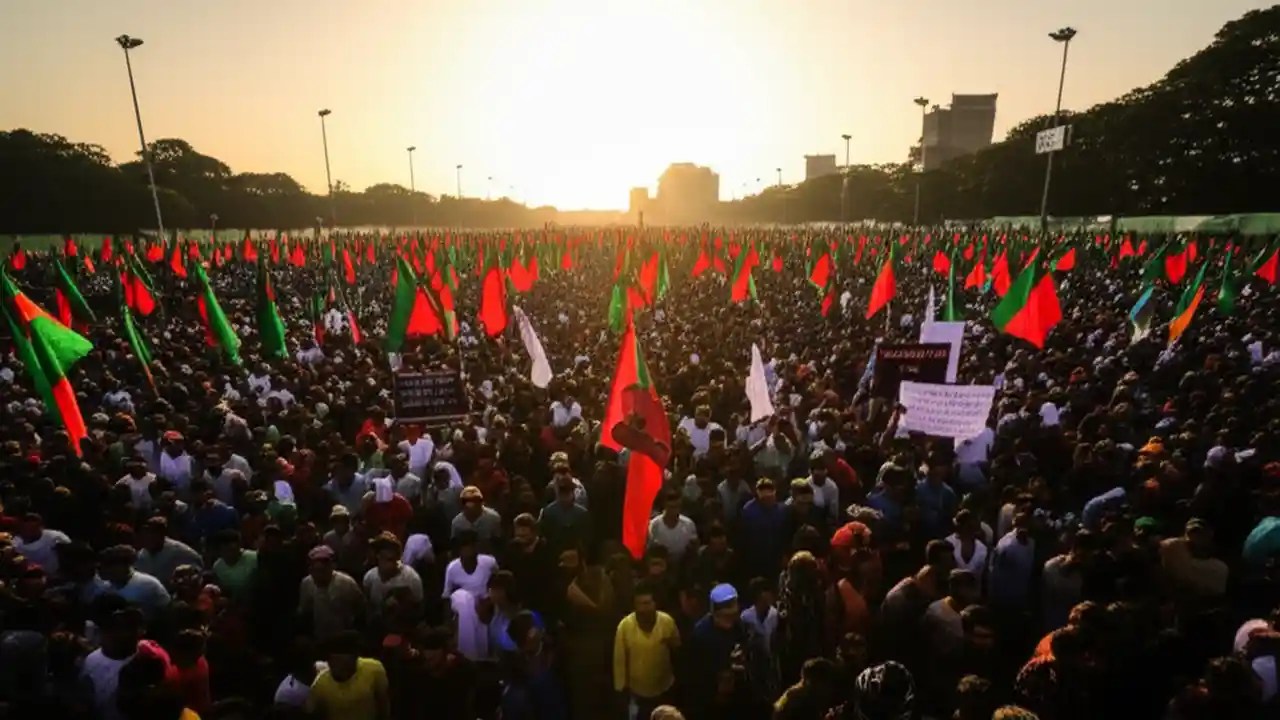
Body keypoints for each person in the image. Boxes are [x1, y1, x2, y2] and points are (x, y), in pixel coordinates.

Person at [614, 580, 680, 719]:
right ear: (634, 606)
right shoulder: (624, 627)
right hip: (638, 692)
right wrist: (621, 689)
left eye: (648, 603)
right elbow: (619, 660)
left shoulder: (667, 621)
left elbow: (677, 649)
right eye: (640, 604)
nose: (644, 608)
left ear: (655, 603)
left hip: (664, 688)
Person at [306, 630, 391, 720]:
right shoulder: (320, 685)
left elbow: (383, 704)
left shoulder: (373, 669)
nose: (339, 666)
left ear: (355, 658)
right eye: (335, 661)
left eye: (344, 663)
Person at [298, 544, 367, 640]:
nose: (319, 575)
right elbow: (304, 611)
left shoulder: (346, 582)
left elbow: (361, 608)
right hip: (318, 637)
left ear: (331, 567)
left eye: (323, 571)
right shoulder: (307, 583)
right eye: (315, 571)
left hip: (343, 637)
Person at [133, 516, 202, 585]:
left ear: (162, 535)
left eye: (153, 533)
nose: (148, 537)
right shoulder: (142, 555)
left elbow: (197, 567)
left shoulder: (180, 551)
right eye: (146, 533)